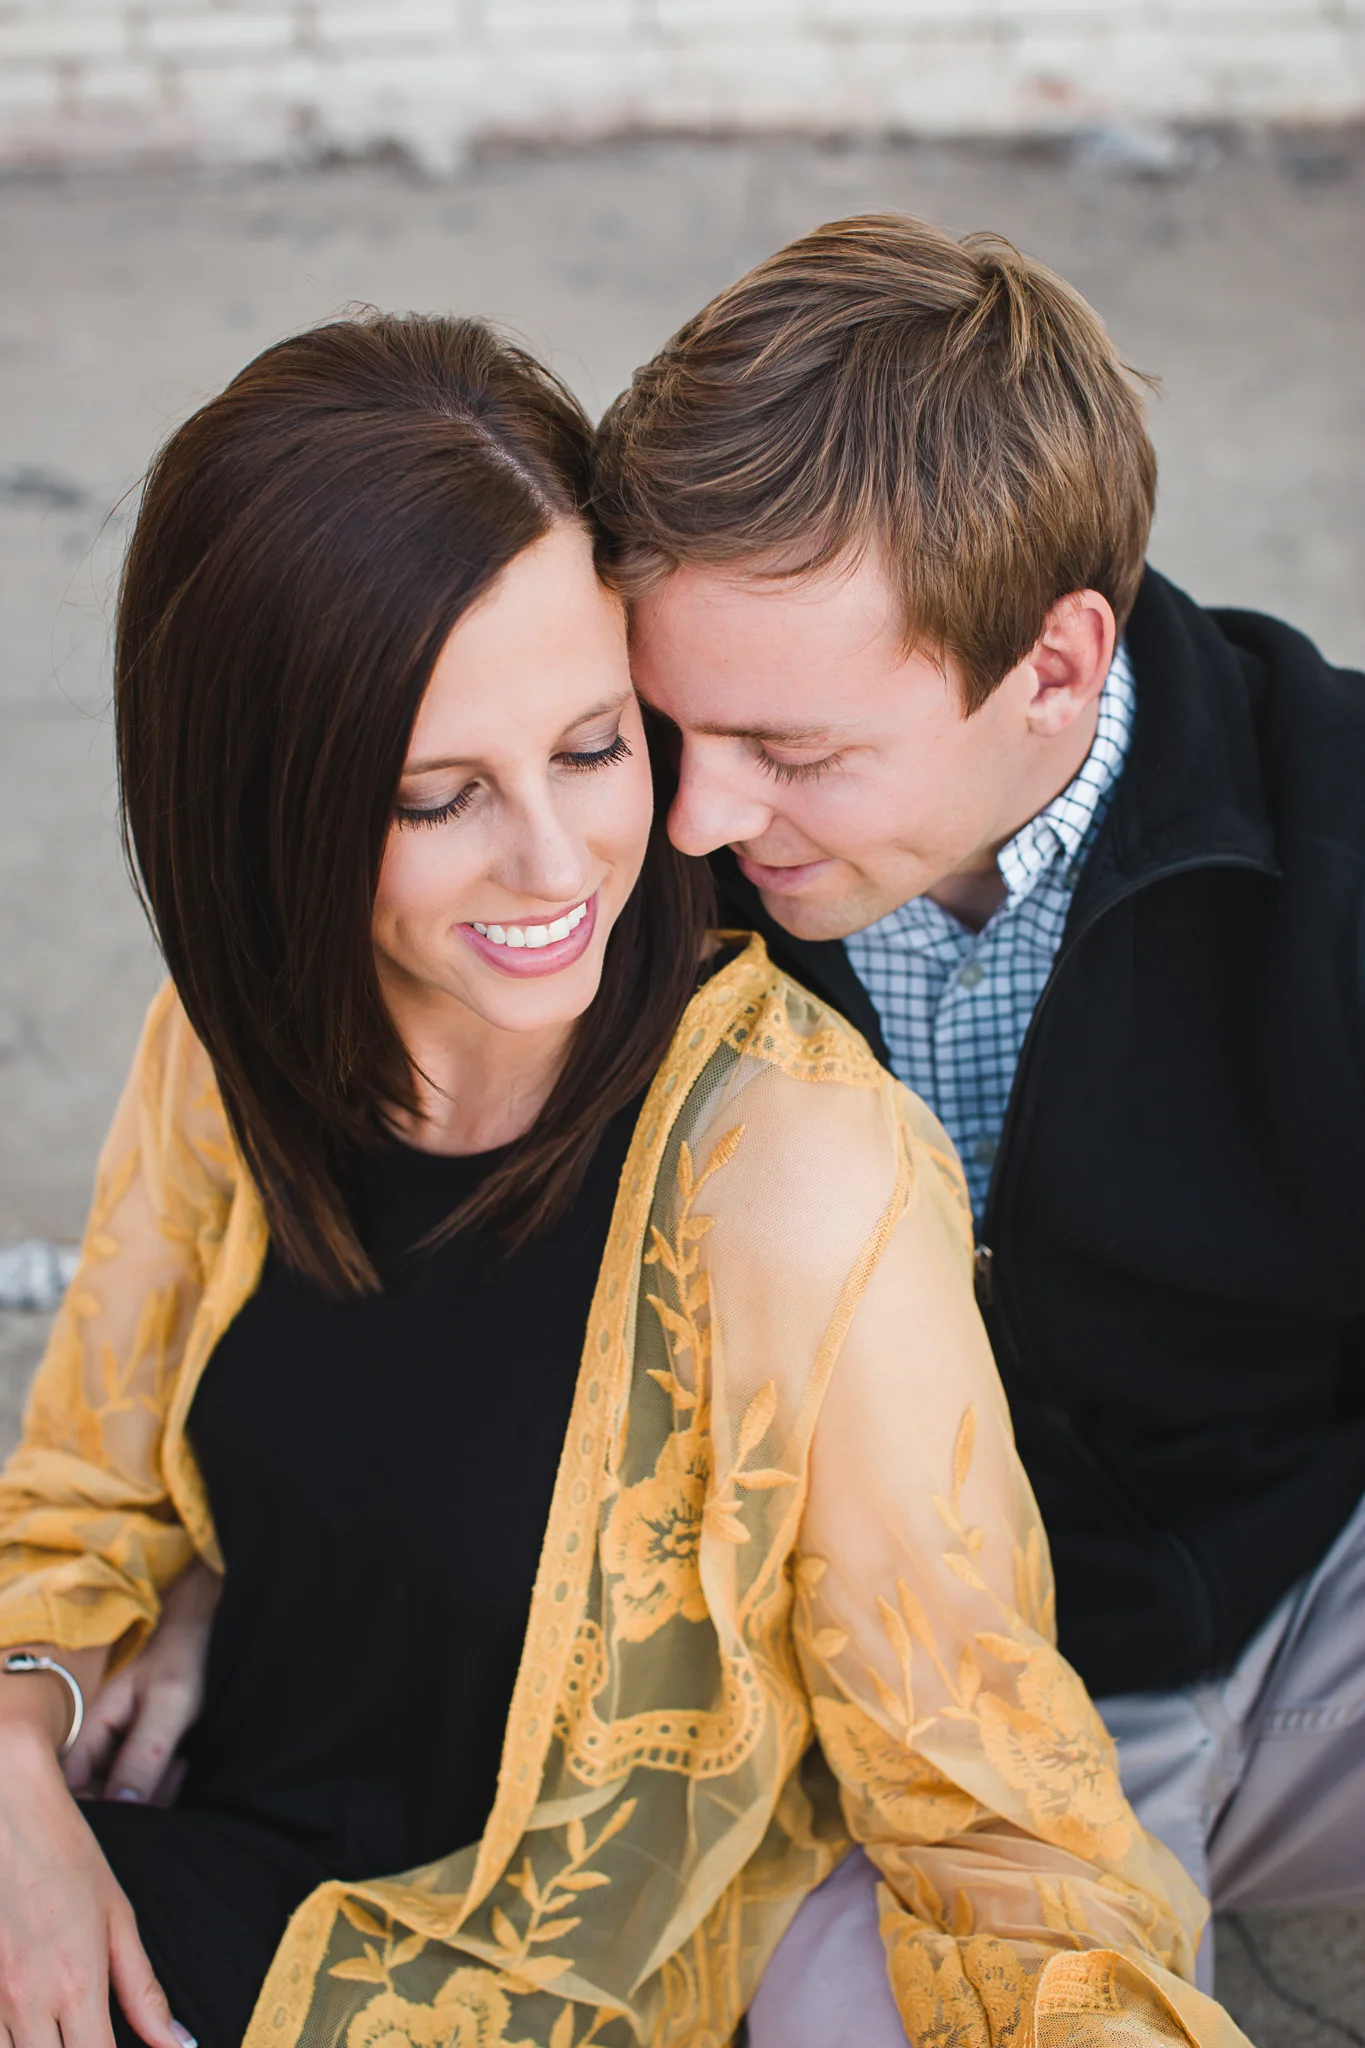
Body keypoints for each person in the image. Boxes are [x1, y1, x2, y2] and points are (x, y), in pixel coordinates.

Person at [0, 315, 1248, 2048]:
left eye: (597, 748)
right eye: (440, 796)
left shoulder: (796, 1171)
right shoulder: (224, 1045)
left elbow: (988, 1803)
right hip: (185, 1875)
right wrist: (12, 1769)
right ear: (264, 806)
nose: (560, 859)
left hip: (512, 1979)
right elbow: (85, 1494)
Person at [589, 210, 1365, 2014]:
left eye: (800, 754)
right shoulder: (627, 839)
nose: (697, 822)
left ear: (1058, 666)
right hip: (908, 1707)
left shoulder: (1330, 841)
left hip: (1292, 1603)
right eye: (674, 727)